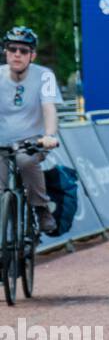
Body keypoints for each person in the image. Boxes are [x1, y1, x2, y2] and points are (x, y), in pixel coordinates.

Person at [1, 26, 62, 235]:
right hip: (2, 143)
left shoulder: (45, 76)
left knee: (25, 161)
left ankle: (41, 208)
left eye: (24, 50)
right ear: (5, 52)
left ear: (32, 55)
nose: (17, 54)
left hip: (33, 141)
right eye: (12, 48)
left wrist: (50, 136)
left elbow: (49, 108)